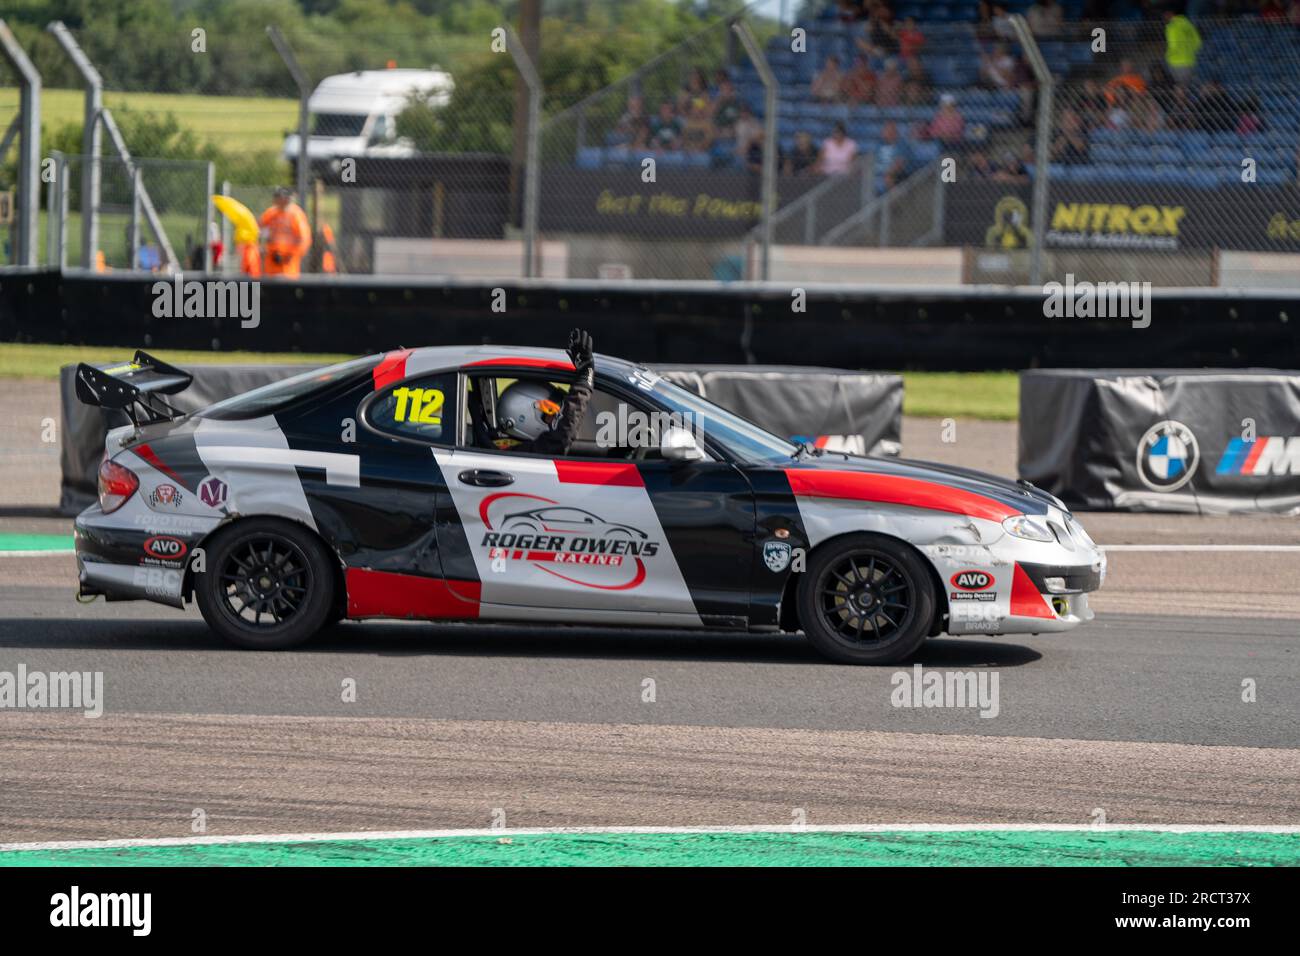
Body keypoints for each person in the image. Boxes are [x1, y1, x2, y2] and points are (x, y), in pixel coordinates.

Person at [491, 329, 595, 456]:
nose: (558, 419)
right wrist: (584, 380)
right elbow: (560, 440)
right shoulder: (514, 454)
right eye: (552, 414)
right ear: (521, 418)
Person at [259, 186, 312, 278]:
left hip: (289, 262)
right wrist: (264, 249)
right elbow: (262, 234)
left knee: (287, 286)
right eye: (278, 197)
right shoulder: (270, 214)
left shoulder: (296, 215)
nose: (281, 200)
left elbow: (304, 239)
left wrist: (291, 255)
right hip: (272, 260)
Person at [1163, 8, 1201, 86]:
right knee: (1189, 86)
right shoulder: (1188, 23)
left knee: (1179, 87)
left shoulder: (1172, 26)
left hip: (1176, 62)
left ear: (1170, 14)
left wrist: (1167, 56)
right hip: (1191, 60)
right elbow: (1198, 42)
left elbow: (1173, 45)